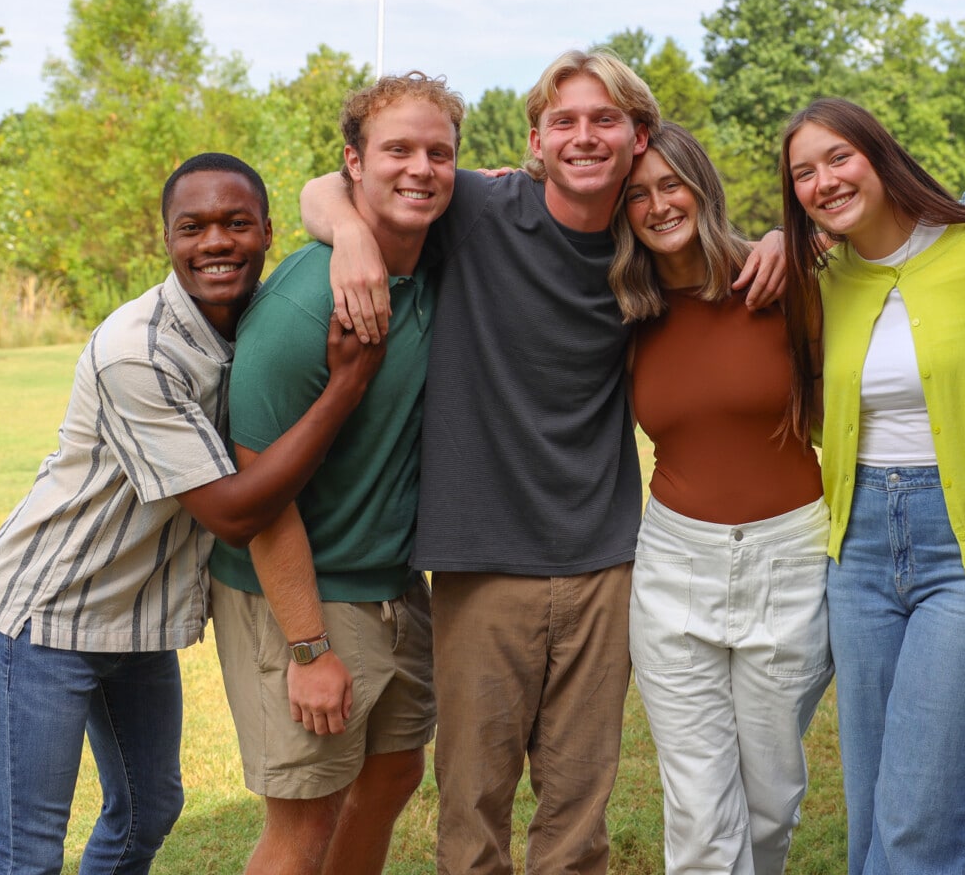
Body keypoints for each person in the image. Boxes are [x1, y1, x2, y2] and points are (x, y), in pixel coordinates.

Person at [301, 50, 785, 875]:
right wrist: (349, 234)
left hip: (605, 562)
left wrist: (779, 238)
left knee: (577, 811)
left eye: (605, 120)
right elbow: (333, 184)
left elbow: (727, 248)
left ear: (639, 137)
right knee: (473, 806)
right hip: (481, 561)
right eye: (564, 121)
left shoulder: (646, 240)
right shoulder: (479, 209)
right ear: (536, 140)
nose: (584, 136)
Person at [0, 152, 383, 875]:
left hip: (137, 617)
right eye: (192, 227)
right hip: (49, 614)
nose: (216, 242)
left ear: (267, 232)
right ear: (166, 238)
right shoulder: (136, 351)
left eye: (237, 223)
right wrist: (345, 388)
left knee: (148, 810)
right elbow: (233, 515)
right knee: (26, 850)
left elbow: (331, 188)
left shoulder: (260, 320)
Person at [779, 98, 965, 875]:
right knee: (874, 817)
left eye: (839, 157)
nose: (824, 181)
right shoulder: (821, 281)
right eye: (803, 173)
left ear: (880, 155)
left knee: (921, 827)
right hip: (859, 557)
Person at [209, 73, 462, 875]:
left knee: (391, 776)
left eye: (439, 152)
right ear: (354, 163)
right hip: (302, 593)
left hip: (393, 584)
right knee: (304, 822)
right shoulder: (304, 307)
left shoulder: (433, 259)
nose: (421, 168)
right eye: (398, 150)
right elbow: (262, 498)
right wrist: (309, 648)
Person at [609, 122, 831, 875]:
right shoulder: (625, 307)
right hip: (676, 567)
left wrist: (790, 239)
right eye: (637, 194)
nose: (658, 205)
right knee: (701, 814)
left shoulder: (781, 279)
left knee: (770, 803)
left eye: (672, 184)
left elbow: (871, 231)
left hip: (789, 562)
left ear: (702, 186)